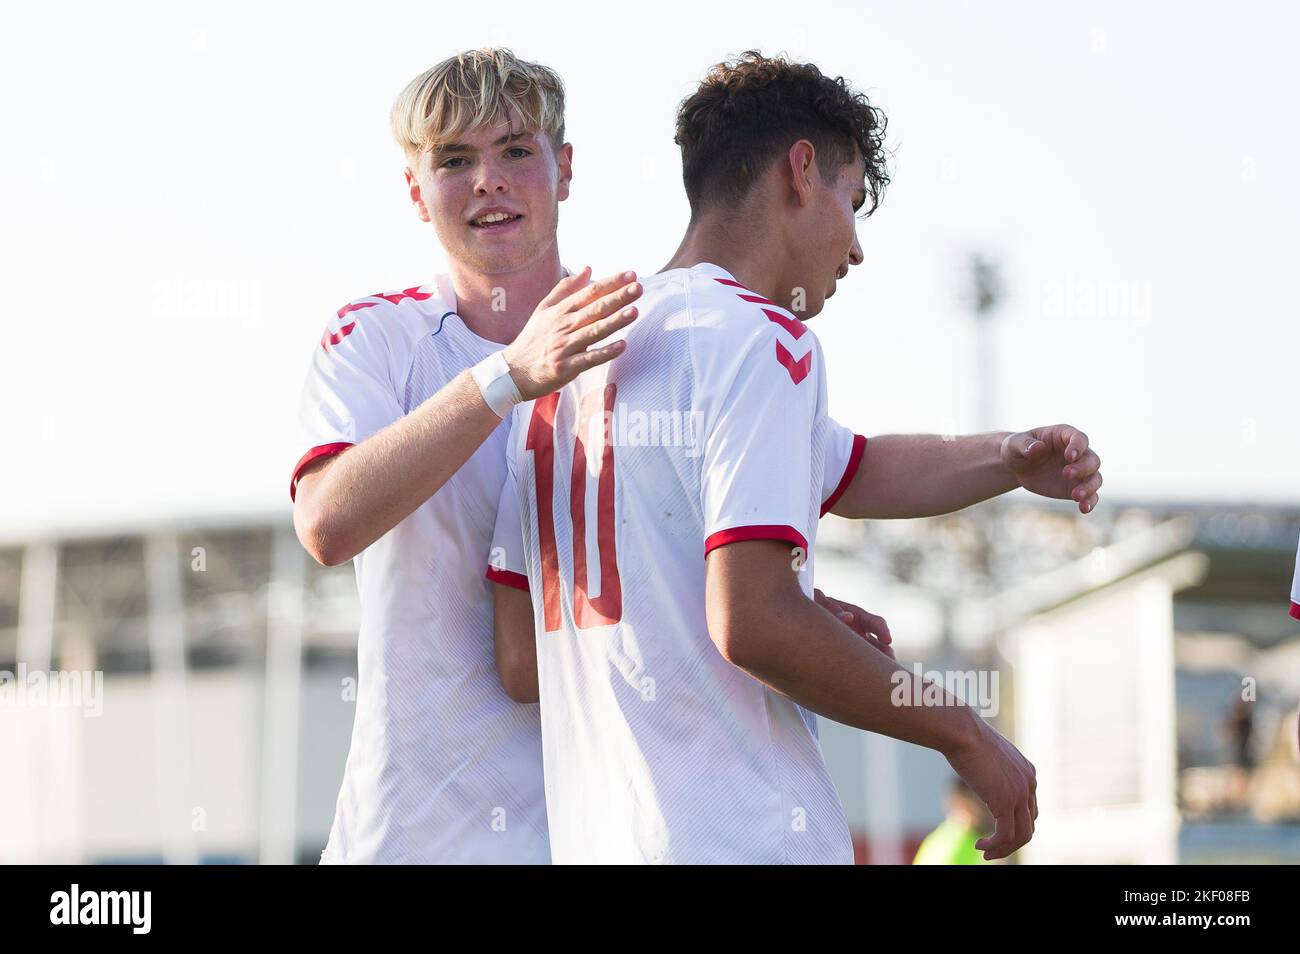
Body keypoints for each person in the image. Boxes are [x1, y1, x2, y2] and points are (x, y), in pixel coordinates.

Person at [489, 51, 1102, 864]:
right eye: (853, 203)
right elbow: (754, 623)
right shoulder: (762, 339)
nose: (854, 252)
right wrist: (962, 729)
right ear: (801, 173)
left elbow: (521, 656)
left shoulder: (571, 354)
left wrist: (1006, 457)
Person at [289, 48, 884, 863]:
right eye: (454, 160)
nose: (489, 181)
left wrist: (800, 607)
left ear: (564, 169)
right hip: (414, 838)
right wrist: (507, 378)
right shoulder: (374, 336)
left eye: (516, 151)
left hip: (593, 837)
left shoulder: (642, 333)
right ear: (415, 191)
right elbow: (326, 522)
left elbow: (725, 542)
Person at [913, 778, 993, 865]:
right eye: (984, 803)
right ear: (965, 804)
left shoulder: (939, 838)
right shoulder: (957, 845)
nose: (991, 812)